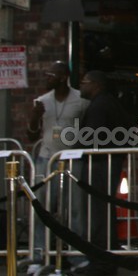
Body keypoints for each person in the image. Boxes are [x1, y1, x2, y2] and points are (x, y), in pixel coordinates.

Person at [24, 60, 89, 270]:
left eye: (51, 75)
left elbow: (89, 129)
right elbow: (31, 135)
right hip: (47, 158)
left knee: (75, 209)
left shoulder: (81, 100)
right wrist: (34, 117)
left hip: (71, 159)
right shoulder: (42, 101)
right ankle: (39, 254)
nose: (47, 79)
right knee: (41, 207)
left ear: (63, 77)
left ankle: (76, 256)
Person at [74, 70, 133, 276]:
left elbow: (92, 137)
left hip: (100, 165)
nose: (81, 86)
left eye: (84, 82)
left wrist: (75, 147)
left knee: (99, 213)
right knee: (101, 212)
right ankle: (104, 259)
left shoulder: (100, 105)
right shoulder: (107, 103)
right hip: (105, 163)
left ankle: (102, 261)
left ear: (96, 85)